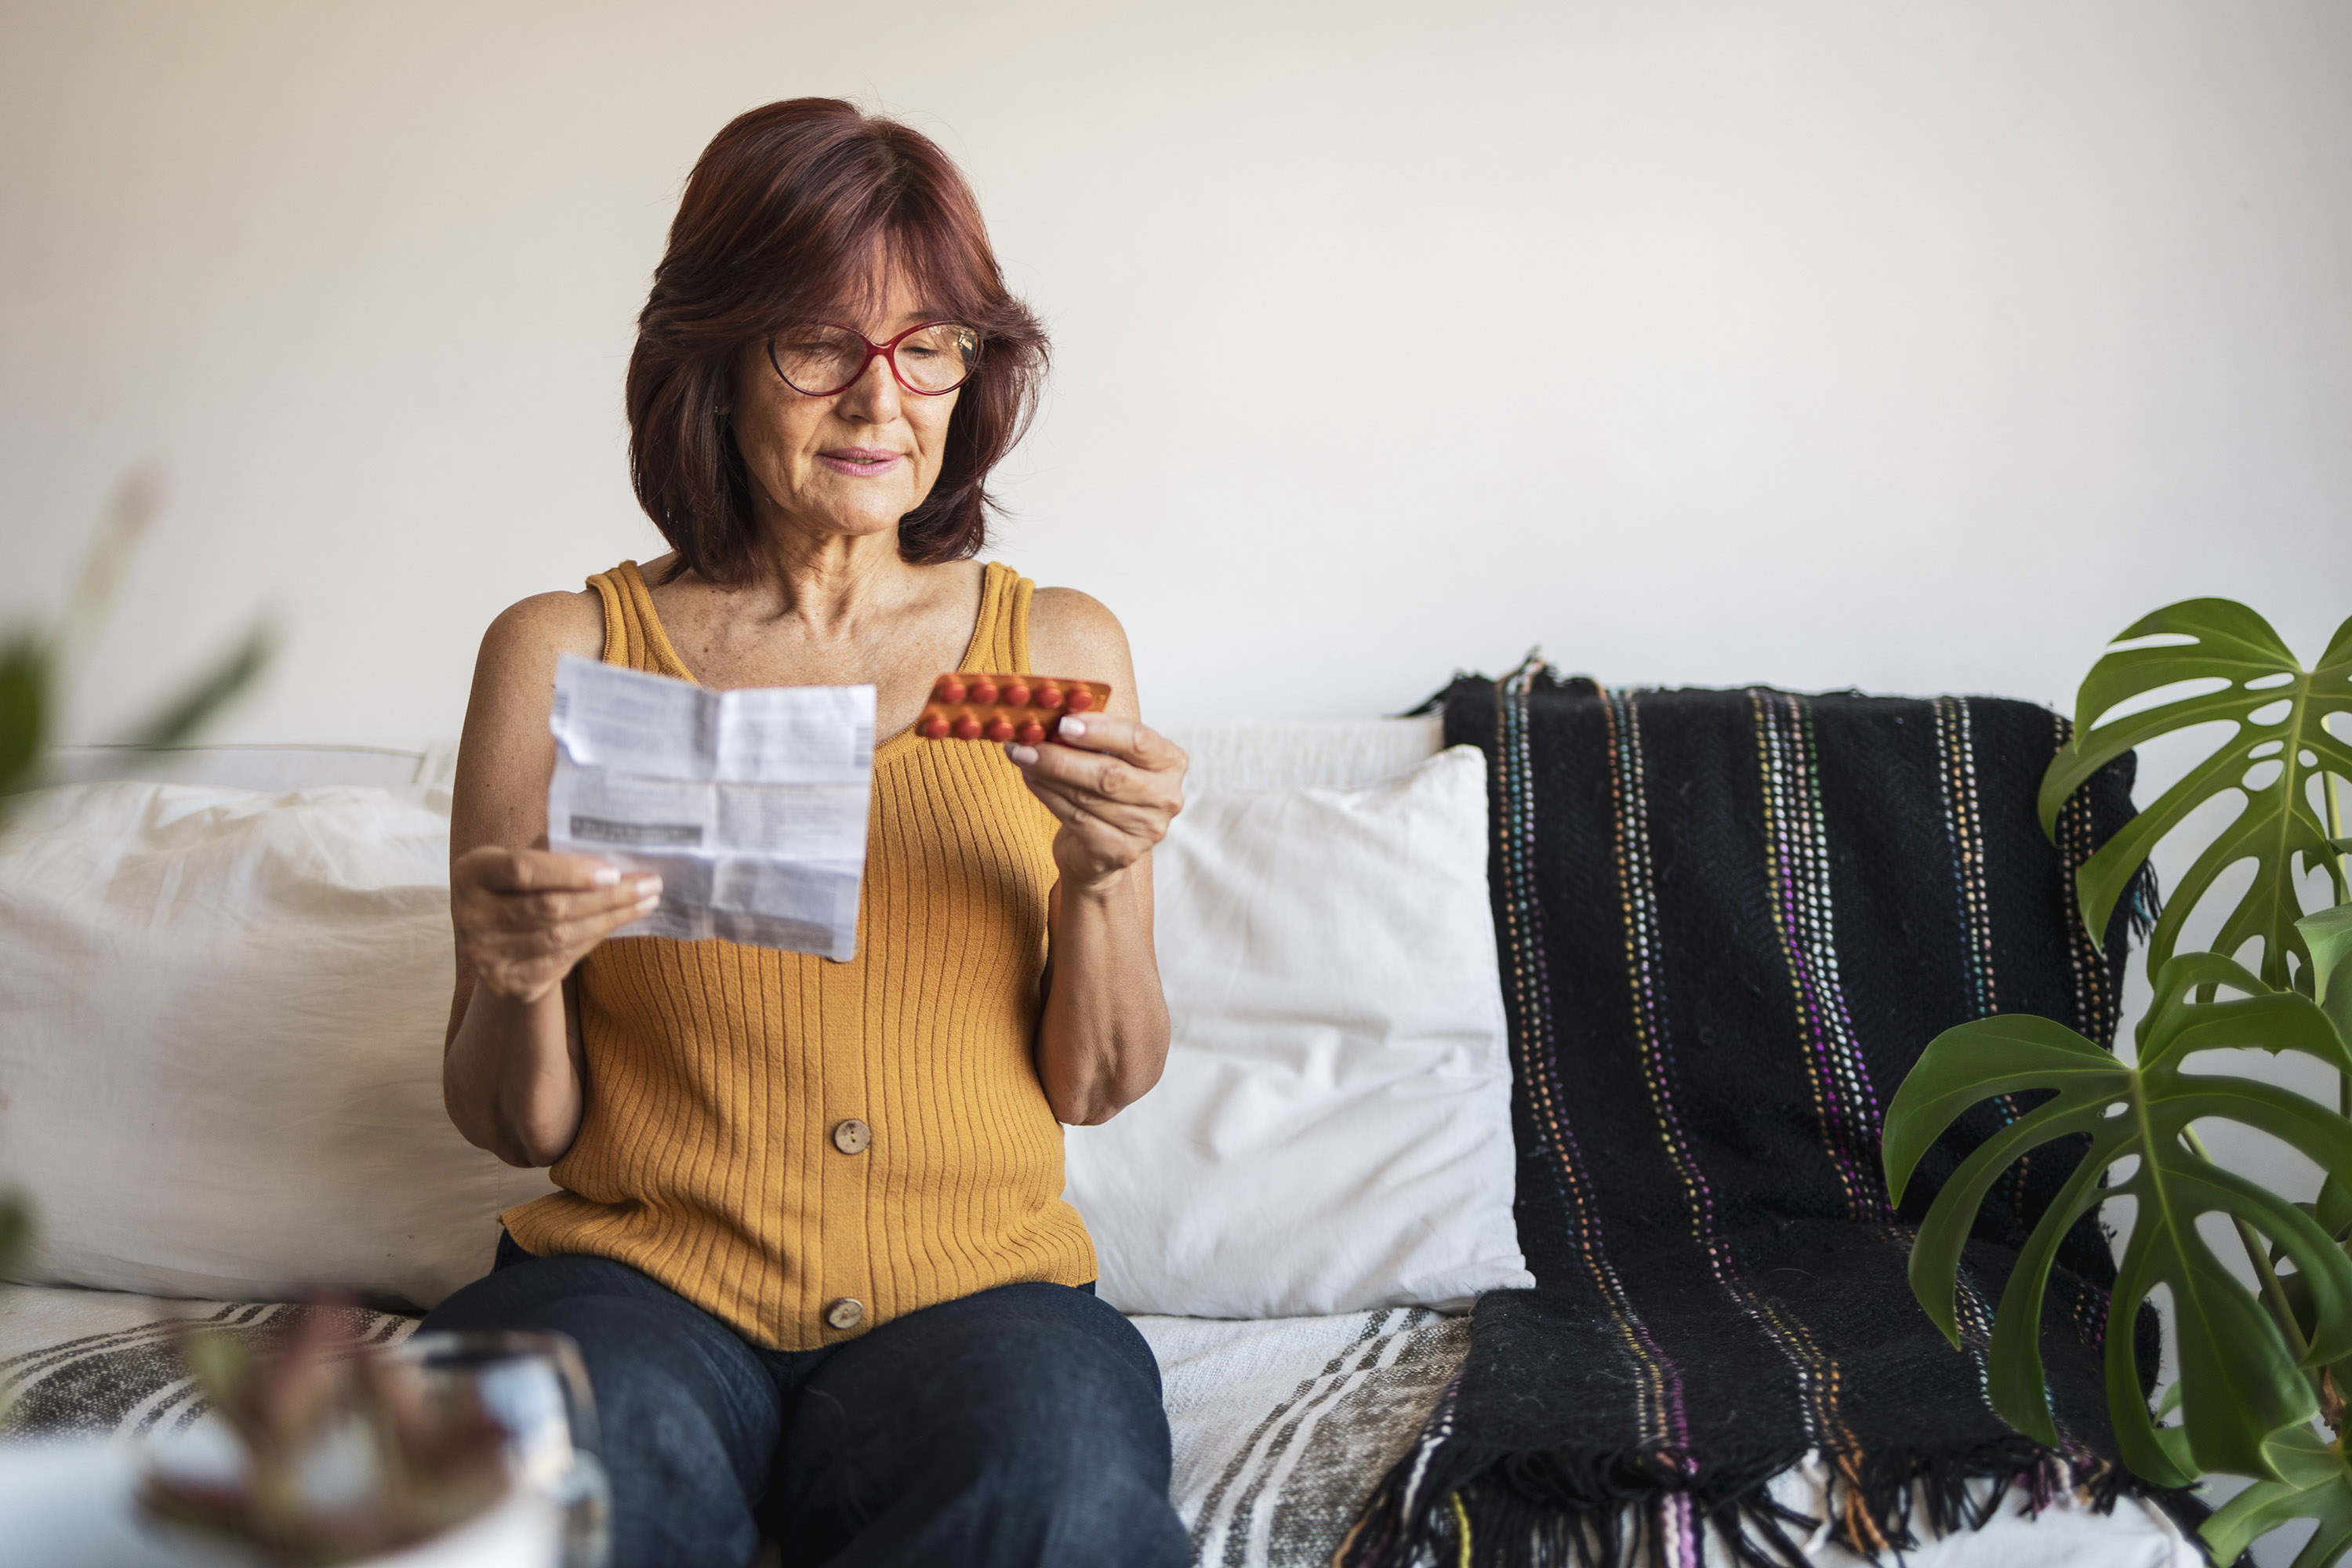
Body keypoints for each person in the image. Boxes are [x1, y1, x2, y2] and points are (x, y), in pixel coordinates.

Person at [422, 98, 1192, 1568]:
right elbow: (513, 1126)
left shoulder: (1058, 646)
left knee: (1057, 1497)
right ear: (713, 359)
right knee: (555, 1482)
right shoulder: (563, 652)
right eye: (818, 344)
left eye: (929, 344)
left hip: (979, 1301)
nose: (879, 401)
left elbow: (1098, 1087)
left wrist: (1103, 875)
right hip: (634, 1290)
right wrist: (515, 977)